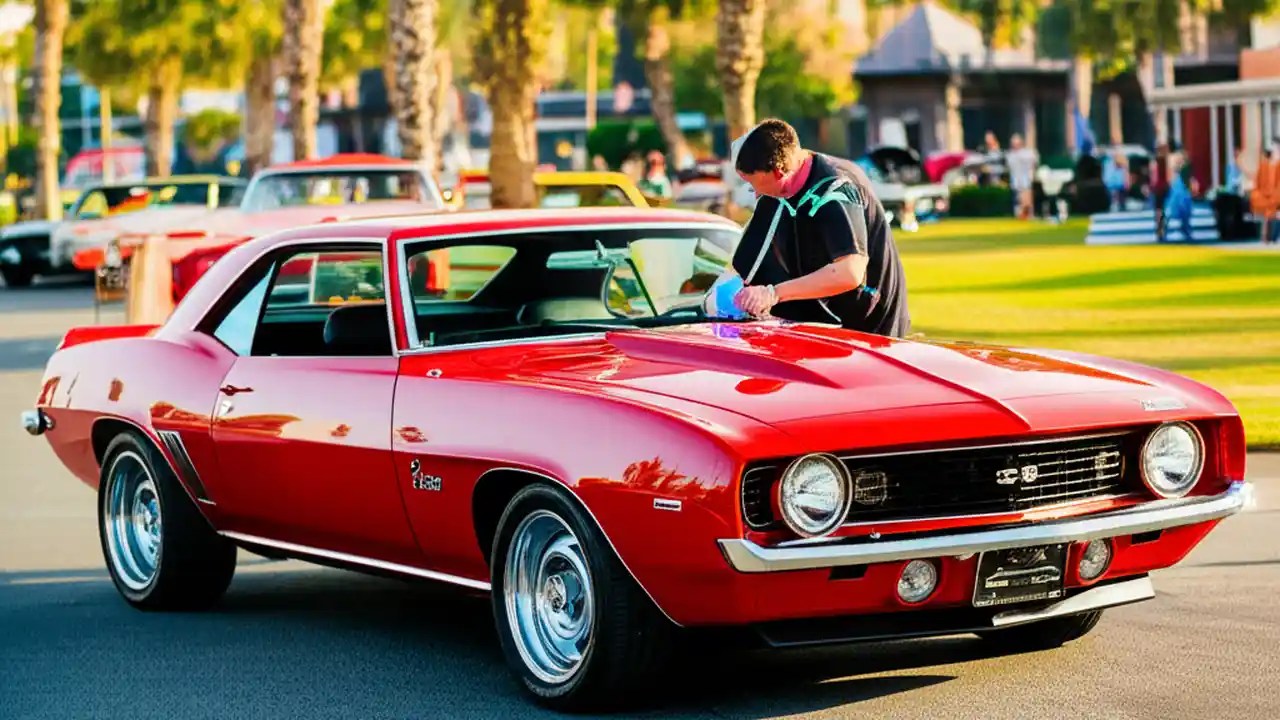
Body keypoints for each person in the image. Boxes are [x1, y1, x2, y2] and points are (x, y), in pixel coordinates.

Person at [712, 118, 910, 338]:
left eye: (754, 184)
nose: (756, 193)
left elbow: (849, 272)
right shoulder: (784, 180)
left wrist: (773, 293)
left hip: (870, 330)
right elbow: (750, 258)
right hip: (826, 325)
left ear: (779, 172)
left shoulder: (835, 191)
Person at [1252, 144, 1280, 246]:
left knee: (1271, 217)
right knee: (1269, 217)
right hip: (1269, 196)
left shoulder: (1272, 166)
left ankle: (1270, 237)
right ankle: (1268, 237)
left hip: (1272, 195)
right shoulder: (1266, 166)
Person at [1006, 134, 1039, 219]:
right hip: (1015, 180)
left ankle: (1029, 214)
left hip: (1026, 179)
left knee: (1027, 198)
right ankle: (1020, 214)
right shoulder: (1010, 155)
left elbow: (1034, 162)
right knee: (1018, 199)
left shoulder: (1028, 153)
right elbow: (1010, 166)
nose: (1015, 145)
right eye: (1013, 143)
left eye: (1017, 143)